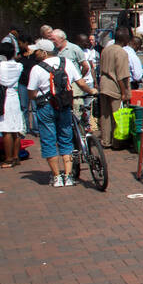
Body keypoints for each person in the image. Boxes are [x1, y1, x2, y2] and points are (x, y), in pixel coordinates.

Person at [27, 38, 91, 186]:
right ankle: (68, 176)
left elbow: (31, 93)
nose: (35, 53)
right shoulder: (66, 63)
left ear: (43, 52)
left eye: (37, 51)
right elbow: (80, 82)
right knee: (66, 137)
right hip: (64, 104)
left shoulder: (37, 69)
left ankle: (56, 177)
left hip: (45, 106)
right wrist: (91, 90)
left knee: (49, 139)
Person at [98, 27, 133, 149]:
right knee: (118, 115)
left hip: (103, 84)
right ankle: (117, 142)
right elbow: (121, 76)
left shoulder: (105, 50)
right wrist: (124, 93)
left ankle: (105, 140)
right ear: (125, 39)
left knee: (105, 115)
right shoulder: (121, 53)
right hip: (115, 87)